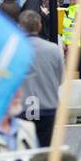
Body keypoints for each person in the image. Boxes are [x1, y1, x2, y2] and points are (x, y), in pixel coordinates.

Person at [18, 10, 64, 147]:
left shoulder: (14, 49)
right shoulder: (53, 49)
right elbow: (61, 78)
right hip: (48, 106)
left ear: (20, 26)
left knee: (23, 148)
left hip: (22, 107)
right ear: (39, 26)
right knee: (45, 150)